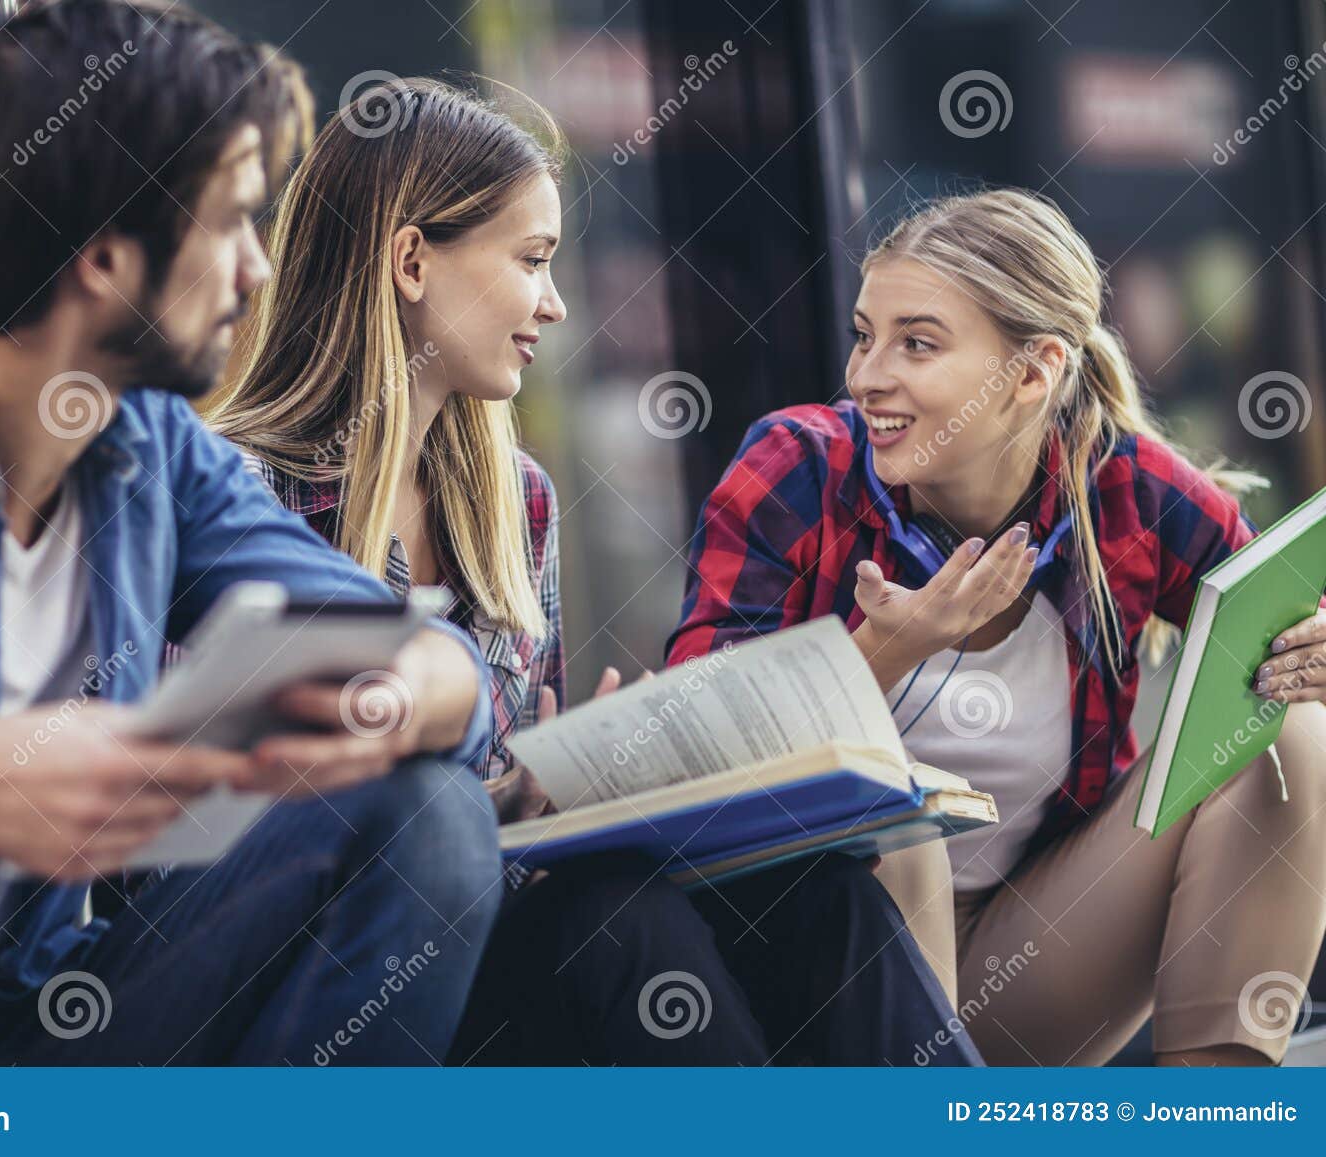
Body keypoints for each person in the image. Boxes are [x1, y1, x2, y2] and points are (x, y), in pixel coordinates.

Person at [0, 0, 502, 1067]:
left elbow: (430, 657)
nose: (257, 270)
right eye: (230, 221)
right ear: (105, 259)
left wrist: (387, 697)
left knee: (429, 816)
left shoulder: (148, 448)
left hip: (49, 1027)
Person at [210, 77, 979, 1066]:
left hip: (507, 932)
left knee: (827, 897)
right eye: (531, 260)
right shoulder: (236, 491)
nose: (556, 300)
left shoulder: (513, 501)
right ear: (410, 260)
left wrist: (586, 777)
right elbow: (204, 830)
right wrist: (442, 811)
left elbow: (531, 803)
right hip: (358, 984)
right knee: (618, 919)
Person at [669, 187, 1326, 1066]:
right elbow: (692, 755)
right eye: (866, 335)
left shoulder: (1125, 490)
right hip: (818, 979)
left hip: (1026, 955)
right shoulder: (797, 469)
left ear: (1031, 372)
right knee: (901, 822)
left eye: (918, 343)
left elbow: (1285, 637)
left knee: (1295, 730)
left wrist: (1313, 654)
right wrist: (888, 650)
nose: (867, 374)